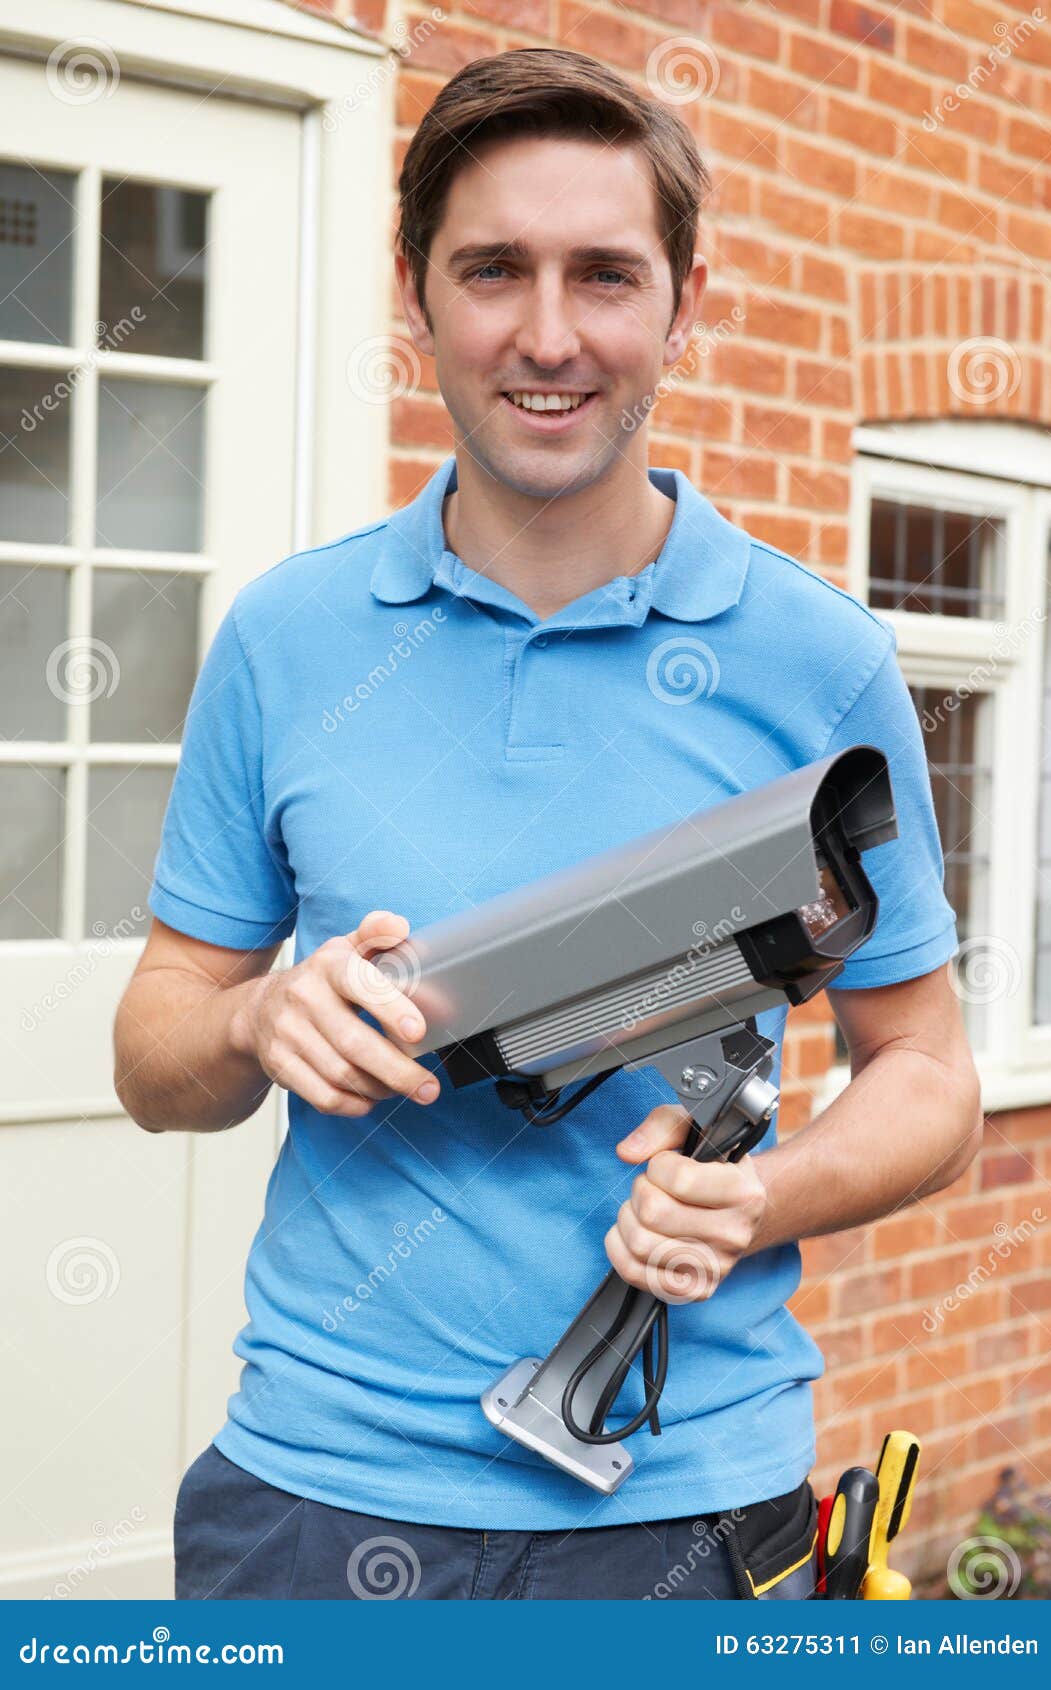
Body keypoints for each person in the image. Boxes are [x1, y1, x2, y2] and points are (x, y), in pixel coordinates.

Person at [114, 47, 981, 1602]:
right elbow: (156, 1051)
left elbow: (924, 1066)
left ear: (683, 305)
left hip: (689, 1505)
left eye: (607, 275)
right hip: (315, 1492)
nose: (550, 333)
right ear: (417, 294)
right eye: (494, 269)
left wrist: (758, 1195)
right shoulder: (287, 637)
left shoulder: (817, 657)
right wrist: (255, 1016)